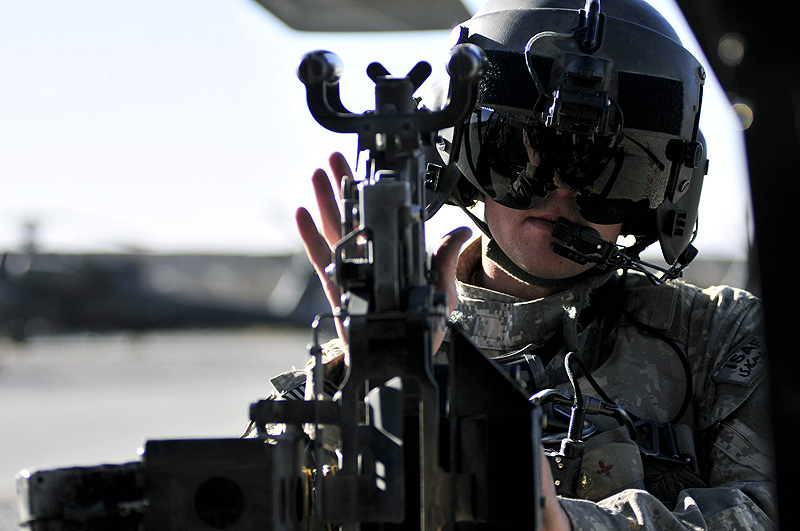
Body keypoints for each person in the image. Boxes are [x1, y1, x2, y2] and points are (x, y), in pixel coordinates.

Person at [267, 0, 776, 528]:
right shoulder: (350, 365)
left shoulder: (721, 343)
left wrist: (563, 525)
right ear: (460, 157)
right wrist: (366, 383)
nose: (557, 187)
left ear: (656, 196)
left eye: (603, 169)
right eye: (513, 154)